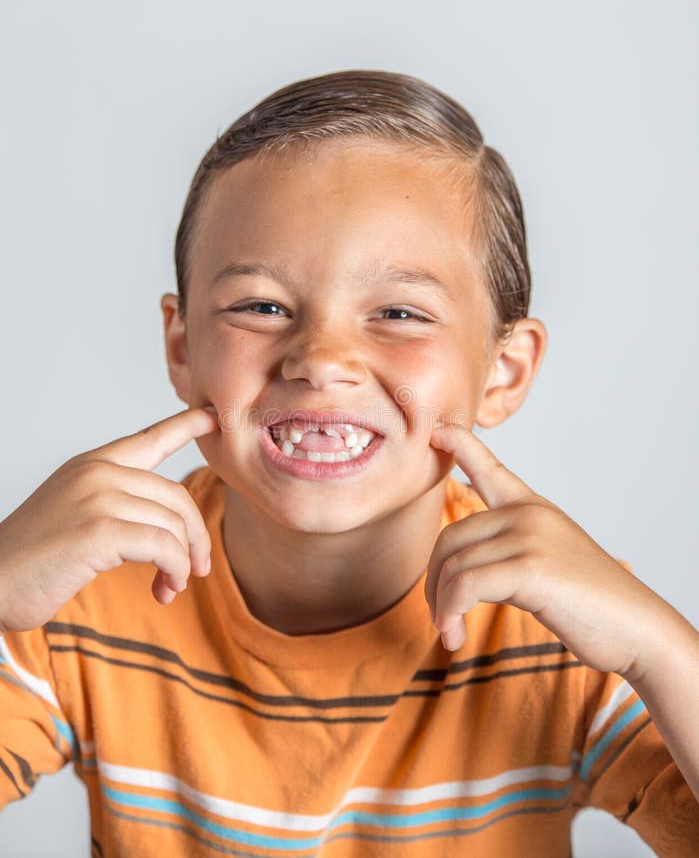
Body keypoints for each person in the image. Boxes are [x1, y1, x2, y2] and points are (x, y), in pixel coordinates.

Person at [0, 69, 697, 857]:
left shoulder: (564, 628)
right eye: (261, 306)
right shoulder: (76, 602)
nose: (321, 359)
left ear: (502, 372)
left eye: (399, 313)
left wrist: (661, 650)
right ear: (182, 347)